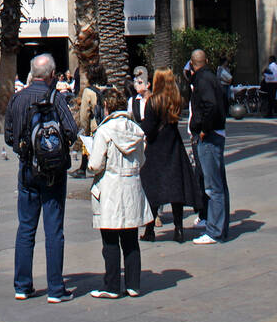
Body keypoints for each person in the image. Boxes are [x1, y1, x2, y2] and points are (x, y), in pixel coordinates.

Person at [4, 52, 78, 302]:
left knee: (26, 227)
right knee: (54, 228)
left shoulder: (17, 98)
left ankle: (22, 286)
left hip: (26, 170)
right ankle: (56, 289)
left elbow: (9, 137)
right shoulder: (56, 98)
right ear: (52, 76)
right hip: (53, 172)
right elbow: (71, 130)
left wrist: (26, 149)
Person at [87, 86, 152, 297]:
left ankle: (112, 285)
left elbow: (96, 164)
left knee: (110, 239)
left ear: (107, 107)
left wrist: (90, 160)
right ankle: (133, 284)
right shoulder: (136, 130)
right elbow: (142, 160)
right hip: (131, 185)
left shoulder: (104, 131)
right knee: (131, 238)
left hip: (110, 187)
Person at [137, 68, 196, 243]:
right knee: (175, 187)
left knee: (153, 188)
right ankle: (179, 229)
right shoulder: (177, 99)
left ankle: (149, 230)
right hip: (173, 145)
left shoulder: (153, 101)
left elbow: (147, 128)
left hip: (156, 147)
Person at [188, 49, 230, 244]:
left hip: (210, 136)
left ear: (192, 63)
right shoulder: (212, 77)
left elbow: (210, 105)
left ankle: (214, 230)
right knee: (218, 184)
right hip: (216, 133)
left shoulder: (202, 80)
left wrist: (204, 128)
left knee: (213, 186)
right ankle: (220, 226)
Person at [72, 69, 105, 177]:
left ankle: (83, 169)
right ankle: (83, 168)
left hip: (95, 126)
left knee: (89, 147)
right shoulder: (111, 87)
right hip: (108, 124)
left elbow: (84, 114)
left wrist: (85, 130)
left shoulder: (89, 91)